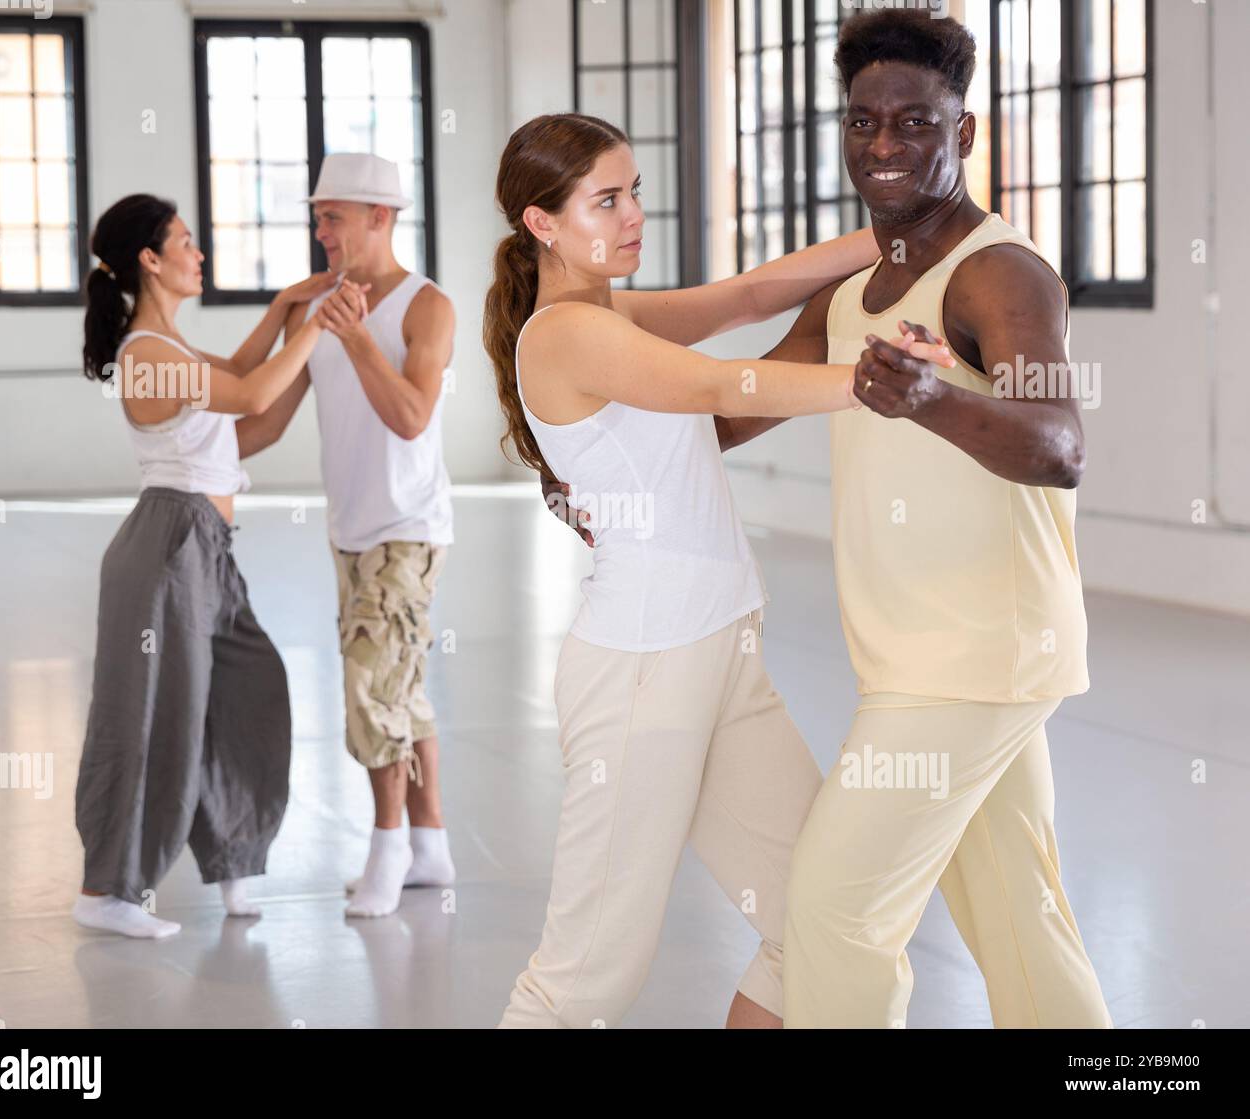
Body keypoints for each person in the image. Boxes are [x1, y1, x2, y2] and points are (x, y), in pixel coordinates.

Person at [487, 112, 954, 1028]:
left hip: (723, 655)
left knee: (816, 922)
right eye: (607, 199)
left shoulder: (607, 313)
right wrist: (885, 382)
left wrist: (907, 224)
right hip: (641, 673)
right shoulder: (560, 337)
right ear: (543, 224)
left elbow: (748, 297)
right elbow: (717, 386)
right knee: (583, 984)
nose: (633, 215)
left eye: (636, 192)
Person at [724, 11, 1110, 1028]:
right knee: (1021, 924)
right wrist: (589, 446)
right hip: (926, 658)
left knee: (835, 910)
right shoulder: (856, 287)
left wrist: (933, 400)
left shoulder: (997, 271)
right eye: (862, 124)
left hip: (974, 655)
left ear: (964, 134)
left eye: (913, 124)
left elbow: (1059, 446)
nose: (884, 147)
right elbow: (744, 400)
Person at [72, 193, 333, 938]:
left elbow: (248, 374)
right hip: (168, 545)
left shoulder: (173, 351)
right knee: (152, 719)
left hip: (208, 546)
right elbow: (253, 390)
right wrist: (317, 324)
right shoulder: (145, 357)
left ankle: (234, 855)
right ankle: (108, 890)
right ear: (150, 260)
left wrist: (288, 305)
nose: (199, 253)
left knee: (243, 691)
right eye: (186, 242)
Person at [238, 154, 458, 918]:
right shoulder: (316, 307)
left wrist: (357, 336)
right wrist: (187, 456)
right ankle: (432, 846)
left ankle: (389, 843)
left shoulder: (428, 307)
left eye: (332, 216)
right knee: (404, 688)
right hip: (350, 530)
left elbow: (411, 417)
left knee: (370, 689)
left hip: (408, 528)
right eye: (319, 215)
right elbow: (265, 420)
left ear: (380, 217)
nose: (320, 230)